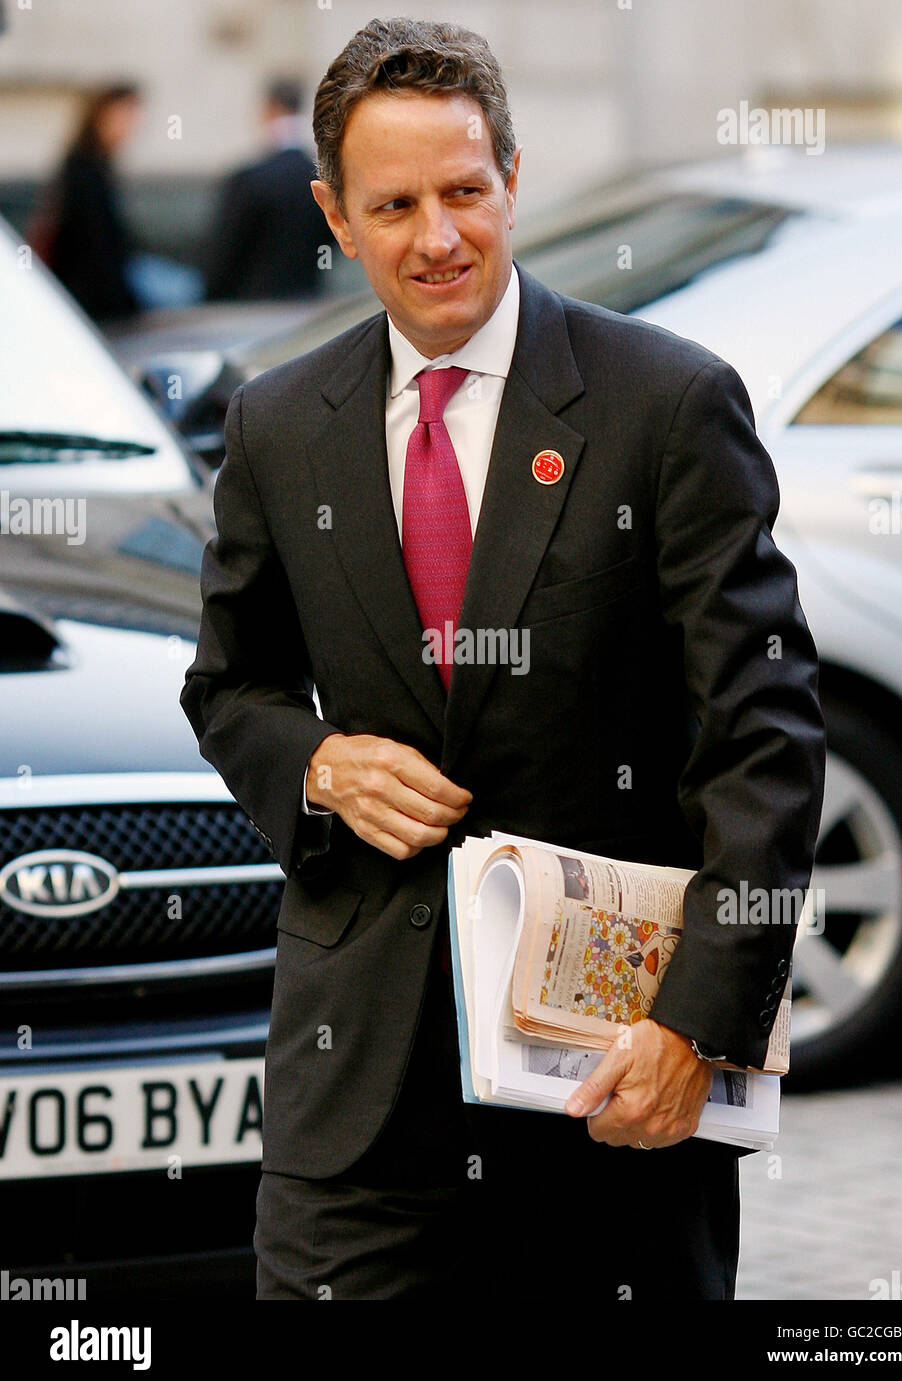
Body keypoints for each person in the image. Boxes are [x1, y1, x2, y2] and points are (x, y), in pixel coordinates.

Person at [180, 17, 826, 1301]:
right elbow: (227, 687)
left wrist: (697, 1021)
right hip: (356, 1089)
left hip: (609, 1078)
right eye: (396, 204)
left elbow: (763, 733)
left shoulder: (667, 405)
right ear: (335, 215)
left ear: (513, 181)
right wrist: (317, 763)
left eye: (466, 192)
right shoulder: (275, 425)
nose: (439, 237)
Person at [203, 78, 333, 301]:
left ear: (269, 109)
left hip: (252, 308)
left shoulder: (249, 180)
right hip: (308, 306)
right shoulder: (321, 180)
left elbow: (224, 257)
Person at [38, 84, 142, 322]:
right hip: (90, 299)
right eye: (124, 115)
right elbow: (95, 245)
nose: (130, 127)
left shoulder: (96, 167)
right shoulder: (84, 171)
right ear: (102, 116)